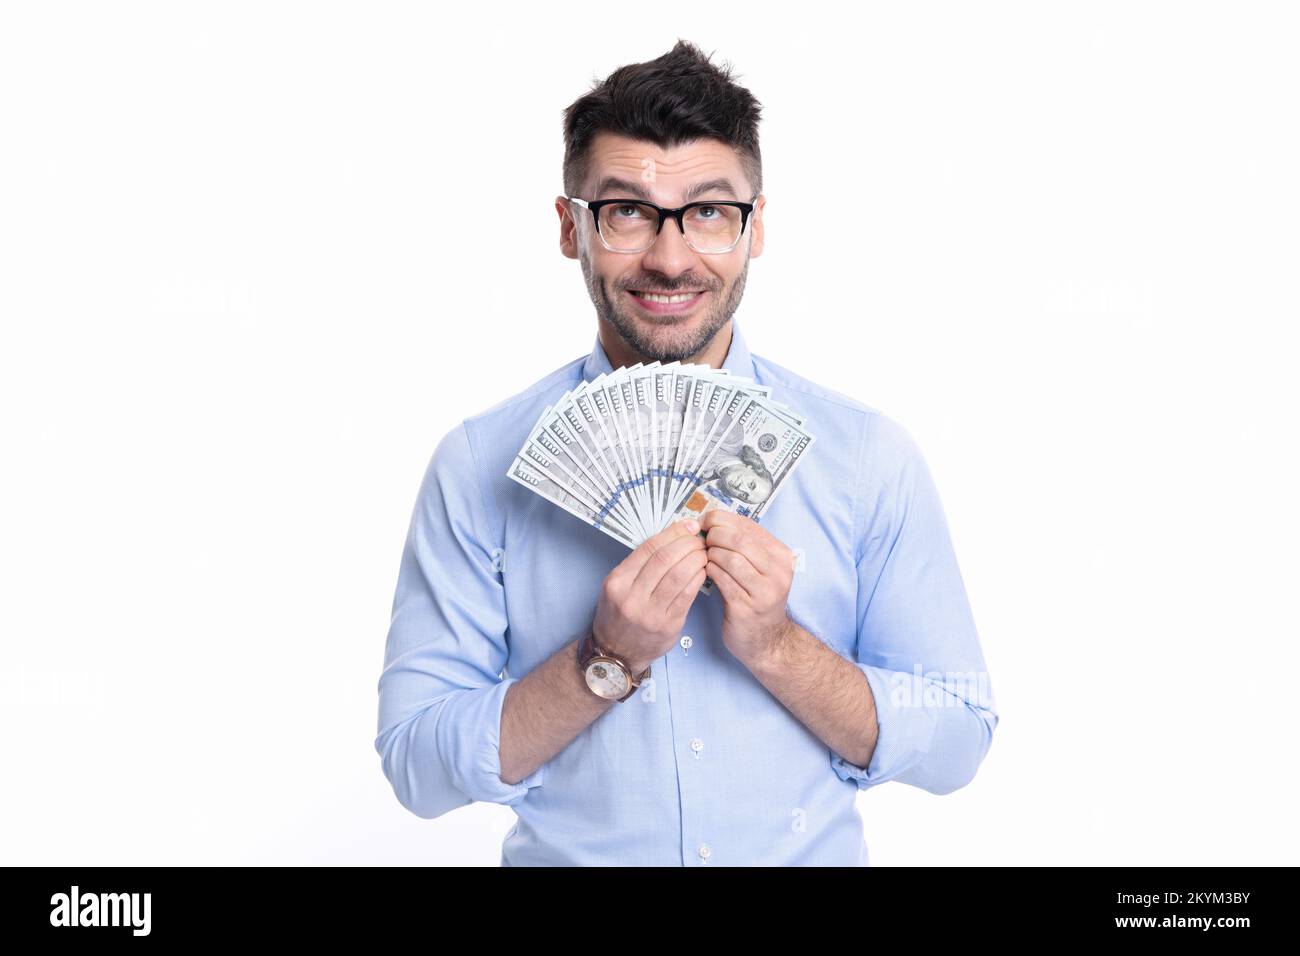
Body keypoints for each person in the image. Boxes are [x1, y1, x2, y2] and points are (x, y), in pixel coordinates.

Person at [374, 39, 998, 866]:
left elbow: (959, 738)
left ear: (756, 226)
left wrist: (780, 649)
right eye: (627, 211)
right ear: (572, 228)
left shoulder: (864, 458)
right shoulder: (480, 464)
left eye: (708, 211)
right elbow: (416, 763)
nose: (671, 259)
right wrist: (604, 659)